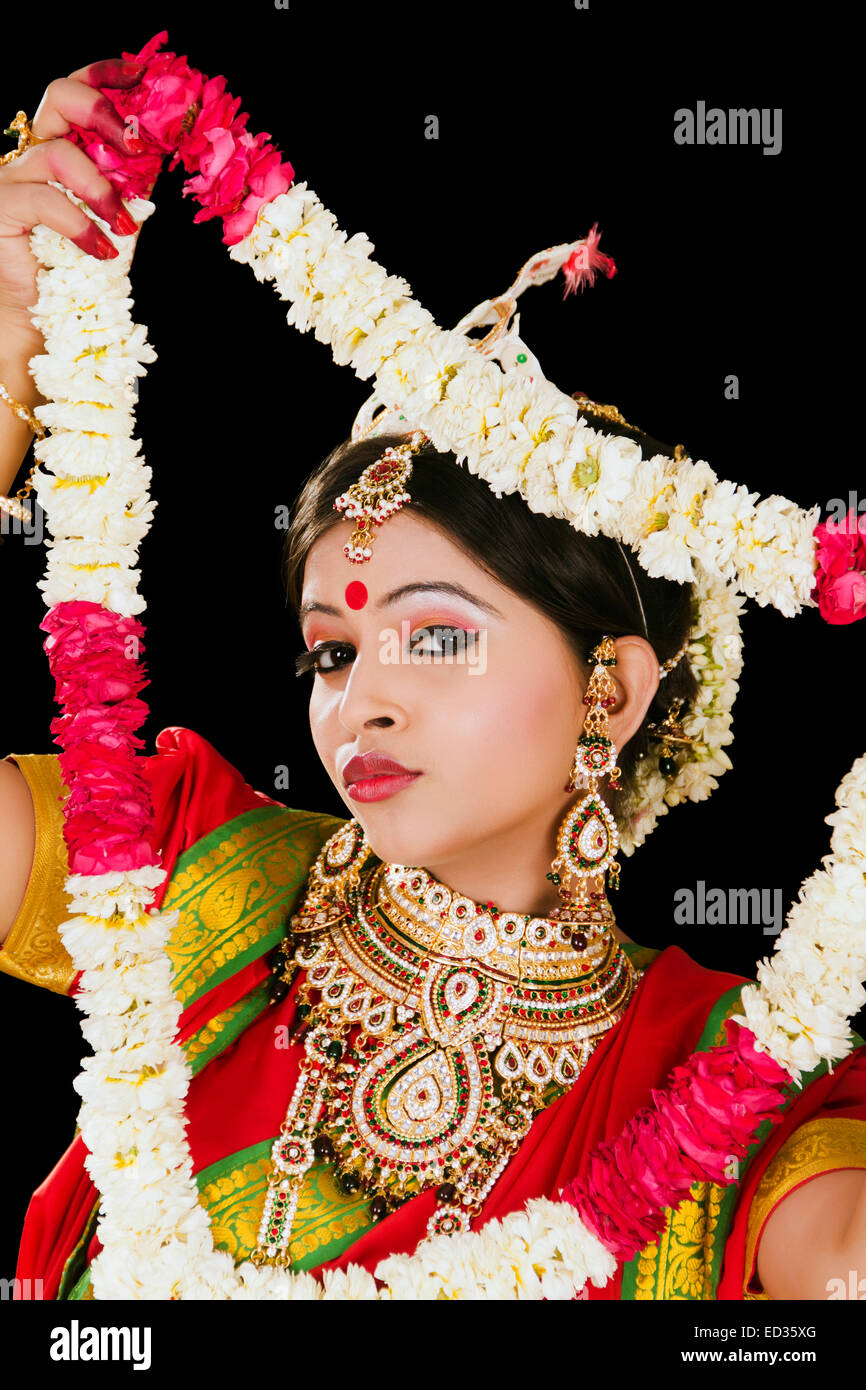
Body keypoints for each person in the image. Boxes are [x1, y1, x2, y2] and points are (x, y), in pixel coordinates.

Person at [1, 56, 865, 1303]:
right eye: (332, 652)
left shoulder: (726, 1081)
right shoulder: (192, 877)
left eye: (438, 635)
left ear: (609, 695)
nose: (364, 701)